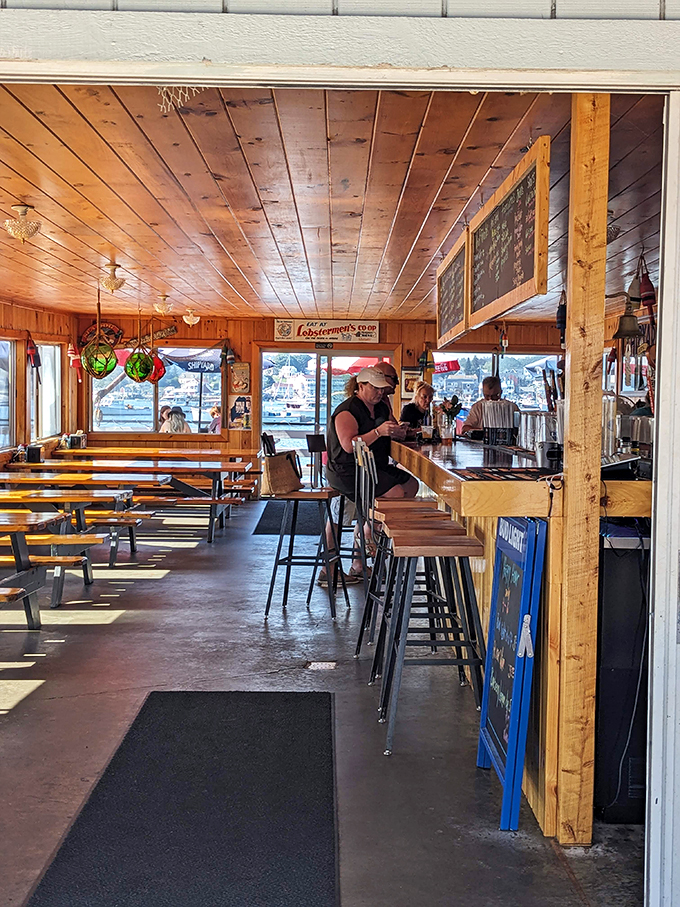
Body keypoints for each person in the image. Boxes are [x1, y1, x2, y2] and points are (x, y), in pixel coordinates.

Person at [325, 366, 418, 581]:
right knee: (394, 493)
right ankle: (369, 534)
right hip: (347, 470)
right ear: (361, 386)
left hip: (373, 466)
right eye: (375, 388)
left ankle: (368, 531)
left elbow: (390, 428)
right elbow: (349, 445)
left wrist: (400, 431)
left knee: (411, 485)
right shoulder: (347, 410)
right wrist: (378, 432)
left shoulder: (381, 406)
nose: (379, 392)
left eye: (382, 388)